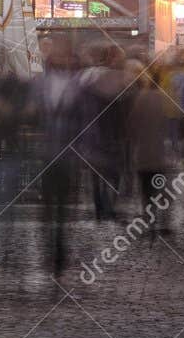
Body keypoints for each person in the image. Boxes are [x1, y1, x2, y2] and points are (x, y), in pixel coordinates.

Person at [30, 38, 86, 279]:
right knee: (47, 204)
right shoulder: (40, 85)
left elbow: (83, 121)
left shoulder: (77, 87)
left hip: (68, 154)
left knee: (63, 204)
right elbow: (32, 115)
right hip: (47, 154)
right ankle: (49, 245)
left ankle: (60, 248)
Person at [79, 44, 130, 221]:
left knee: (98, 172)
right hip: (109, 133)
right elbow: (122, 108)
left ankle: (100, 207)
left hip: (95, 132)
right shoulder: (116, 79)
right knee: (112, 172)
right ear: (111, 58)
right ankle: (107, 207)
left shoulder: (88, 77)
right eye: (119, 58)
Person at [128, 67, 174, 238]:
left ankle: (149, 223)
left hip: (143, 153)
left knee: (146, 191)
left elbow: (132, 123)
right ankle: (165, 223)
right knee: (162, 189)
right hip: (159, 153)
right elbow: (168, 124)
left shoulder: (140, 98)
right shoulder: (163, 98)